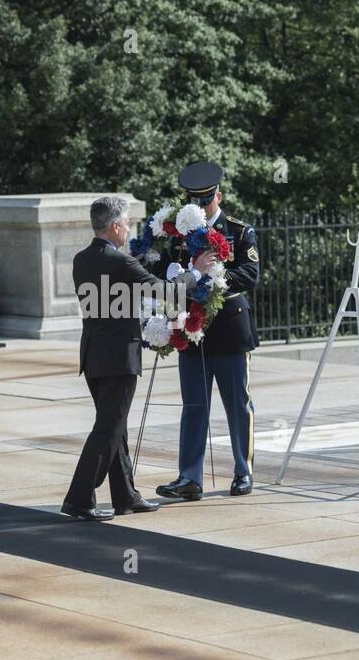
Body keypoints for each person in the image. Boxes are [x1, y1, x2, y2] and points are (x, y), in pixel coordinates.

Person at [60, 196, 205, 520]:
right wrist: (196, 272)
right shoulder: (120, 262)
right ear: (114, 226)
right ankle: (80, 498)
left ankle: (125, 495)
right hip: (118, 358)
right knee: (108, 428)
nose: (128, 228)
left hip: (94, 356)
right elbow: (168, 291)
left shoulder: (82, 259)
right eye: (126, 223)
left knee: (115, 426)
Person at [155, 162, 261, 501]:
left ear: (219, 195)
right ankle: (190, 478)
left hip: (229, 328)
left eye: (206, 201)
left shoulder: (239, 231)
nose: (201, 208)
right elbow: (165, 272)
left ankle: (243, 472)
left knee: (236, 405)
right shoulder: (180, 236)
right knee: (194, 406)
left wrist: (214, 278)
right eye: (195, 202)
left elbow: (250, 273)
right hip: (191, 329)